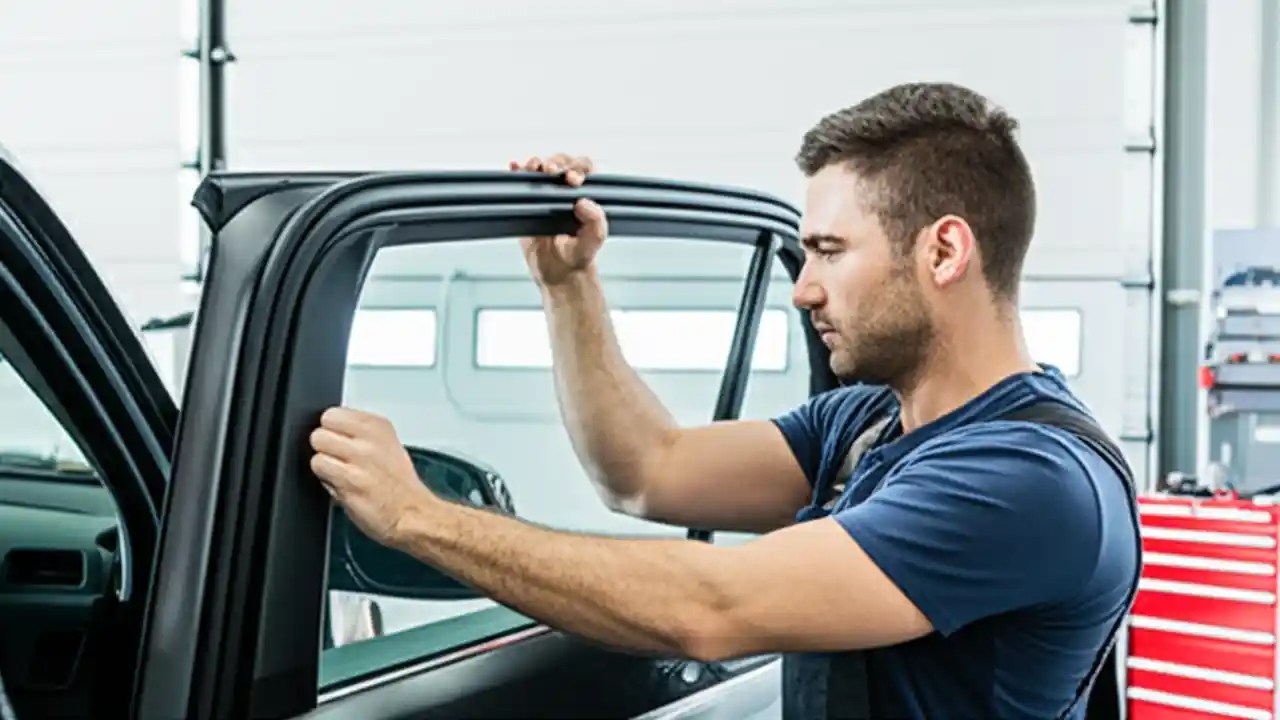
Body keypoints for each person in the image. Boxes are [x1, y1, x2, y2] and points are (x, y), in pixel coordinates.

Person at [308, 81, 1141, 719]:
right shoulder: (870, 420)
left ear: (945, 251)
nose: (803, 290)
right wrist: (570, 288)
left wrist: (418, 517)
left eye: (828, 252)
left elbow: (709, 607)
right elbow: (646, 471)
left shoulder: (1031, 481)